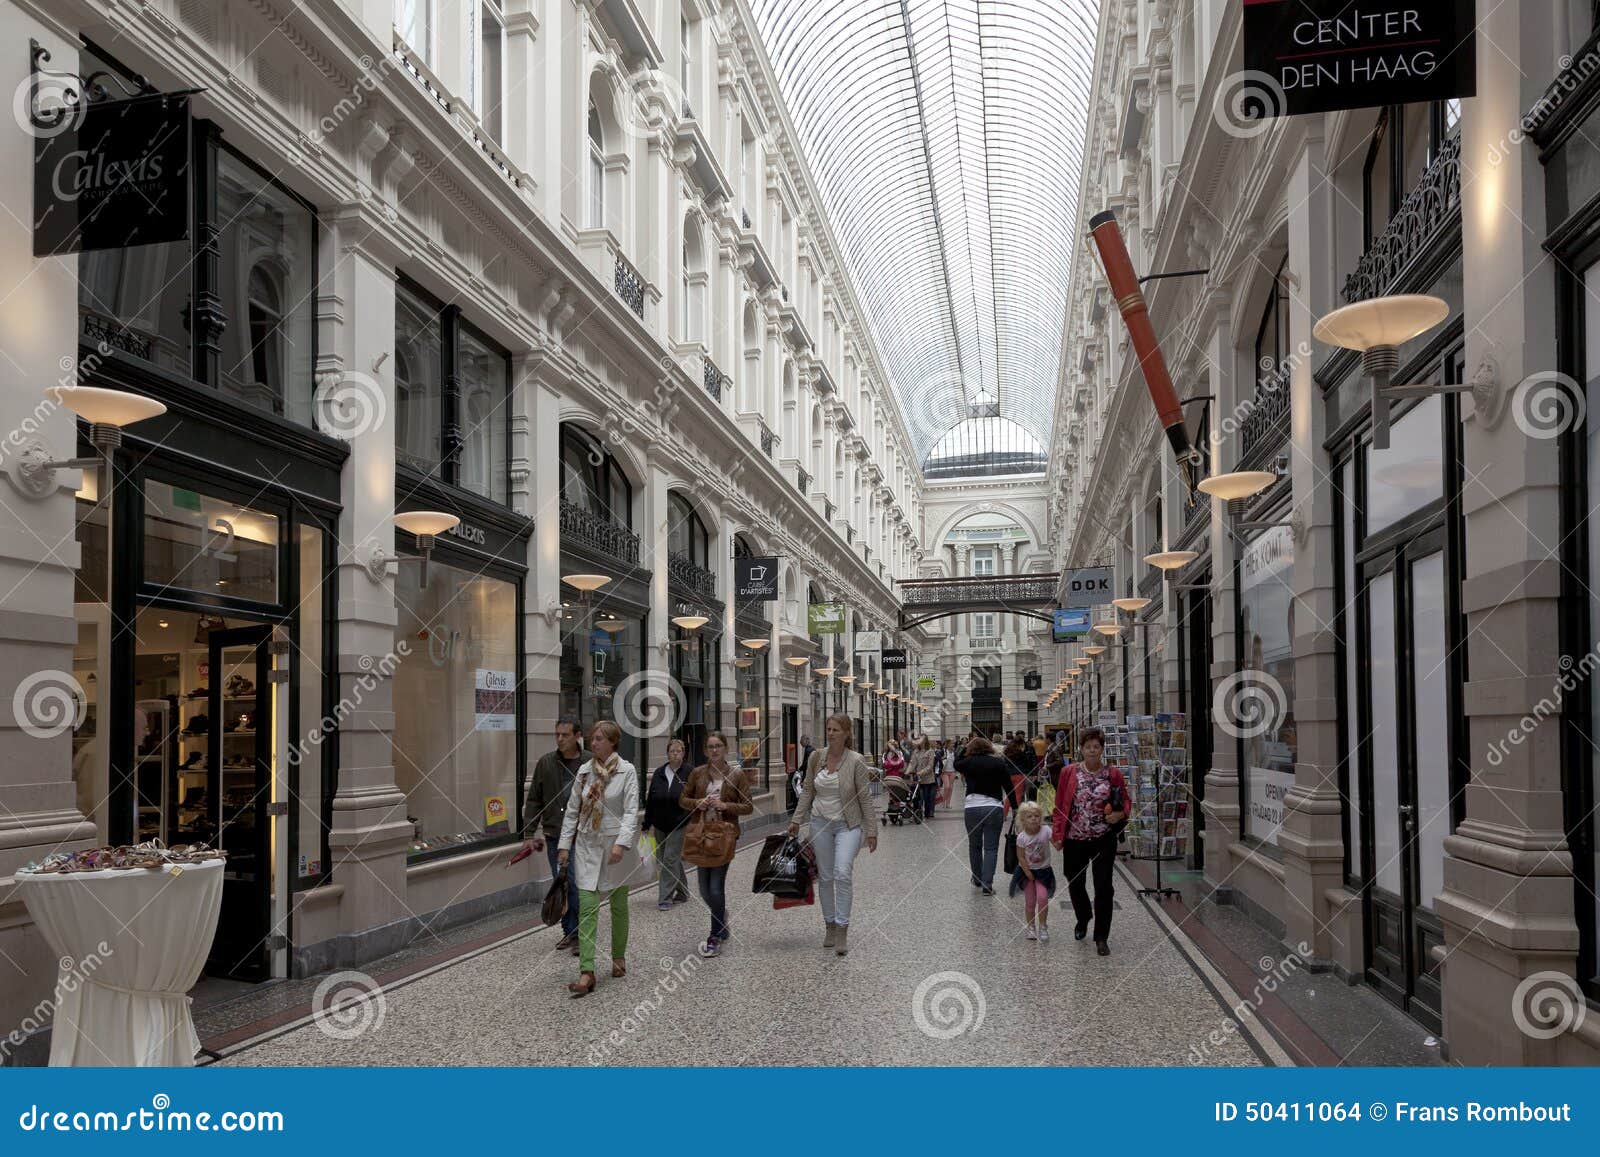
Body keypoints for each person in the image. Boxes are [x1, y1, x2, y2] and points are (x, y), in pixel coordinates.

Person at [557, 721, 641, 998]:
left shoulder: (627, 771)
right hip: (587, 844)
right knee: (588, 906)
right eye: (592, 739)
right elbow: (572, 811)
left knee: (618, 905)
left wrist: (622, 843)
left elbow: (631, 811)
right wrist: (564, 845)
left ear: (612, 743)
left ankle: (618, 956)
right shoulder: (584, 772)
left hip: (616, 846)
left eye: (598, 739)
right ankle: (587, 971)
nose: (593, 744)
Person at [790, 714, 879, 955]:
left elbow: (865, 798)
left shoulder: (856, 761)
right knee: (826, 876)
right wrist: (796, 820)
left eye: (836, 729)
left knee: (842, 872)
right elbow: (808, 790)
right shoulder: (816, 757)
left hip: (847, 825)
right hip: (820, 823)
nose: (830, 733)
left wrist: (872, 830)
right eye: (828, 729)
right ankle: (829, 924)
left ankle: (842, 929)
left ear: (847, 733)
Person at [1051, 726, 1131, 955]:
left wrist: (1120, 814)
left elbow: (1125, 800)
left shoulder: (1113, 774)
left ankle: (1101, 936)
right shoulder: (1069, 773)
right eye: (1088, 747)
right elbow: (1060, 806)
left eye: (1096, 747)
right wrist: (1058, 835)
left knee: (1104, 886)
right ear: (1081, 749)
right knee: (1074, 882)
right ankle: (1083, 916)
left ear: (1102, 749)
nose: (1092, 751)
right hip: (1075, 838)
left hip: (1103, 838)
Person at [679, 733, 754, 958]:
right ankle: (721, 918)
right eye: (710, 747)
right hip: (702, 836)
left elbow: (748, 806)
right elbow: (683, 799)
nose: (714, 750)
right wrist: (697, 803)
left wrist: (725, 805)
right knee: (703, 889)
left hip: (725, 837)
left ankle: (715, 935)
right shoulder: (697, 773)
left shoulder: (736, 774)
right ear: (705, 750)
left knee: (715, 887)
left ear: (726, 748)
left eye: (718, 746)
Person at [519, 716, 585, 951]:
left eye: (565, 735)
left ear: (578, 736)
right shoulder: (546, 763)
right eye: (557, 734)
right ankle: (569, 931)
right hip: (555, 834)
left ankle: (578, 934)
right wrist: (528, 834)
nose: (559, 739)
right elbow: (535, 800)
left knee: (576, 884)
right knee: (562, 884)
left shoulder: (588, 763)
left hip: (581, 836)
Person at [955, 736, 1016, 894]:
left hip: (972, 808)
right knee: (991, 848)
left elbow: (956, 762)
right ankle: (987, 884)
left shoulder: (967, 763)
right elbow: (1008, 786)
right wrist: (1015, 807)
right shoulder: (998, 763)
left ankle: (977, 878)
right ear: (989, 748)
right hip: (993, 807)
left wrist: (964, 747)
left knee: (974, 846)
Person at [645, 738, 692, 910]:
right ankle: (683, 892)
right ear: (667, 753)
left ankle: (664, 898)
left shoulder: (689, 772)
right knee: (668, 859)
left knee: (669, 859)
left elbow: (695, 798)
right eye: (672, 751)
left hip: (679, 823)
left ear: (683, 753)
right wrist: (646, 823)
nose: (675, 754)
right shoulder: (659, 772)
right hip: (660, 824)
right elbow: (651, 799)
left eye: (678, 751)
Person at [1010, 801, 1055, 941]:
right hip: (1027, 872)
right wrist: (1028, 872)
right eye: (1030, 816)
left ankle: (1043, 926)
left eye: (1036, 816)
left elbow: (1057, 843)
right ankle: (1031, 927)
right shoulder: (1022, 837)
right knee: (1030, 902)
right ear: (1023, 820)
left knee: (1042, 898)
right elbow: (1021, 857)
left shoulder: (1046, 830)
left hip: (1044, 871)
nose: (1034, 818)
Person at [908, 736, 937, 820]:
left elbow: (930, 766)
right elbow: (912, 763)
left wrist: (920, 772)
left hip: (928, 779)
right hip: (917, 779)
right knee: (916, 797)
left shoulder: (930, 751)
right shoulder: (915, 751)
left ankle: (928, 813)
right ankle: (917, 812)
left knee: (926, 797)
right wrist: (909, 771)